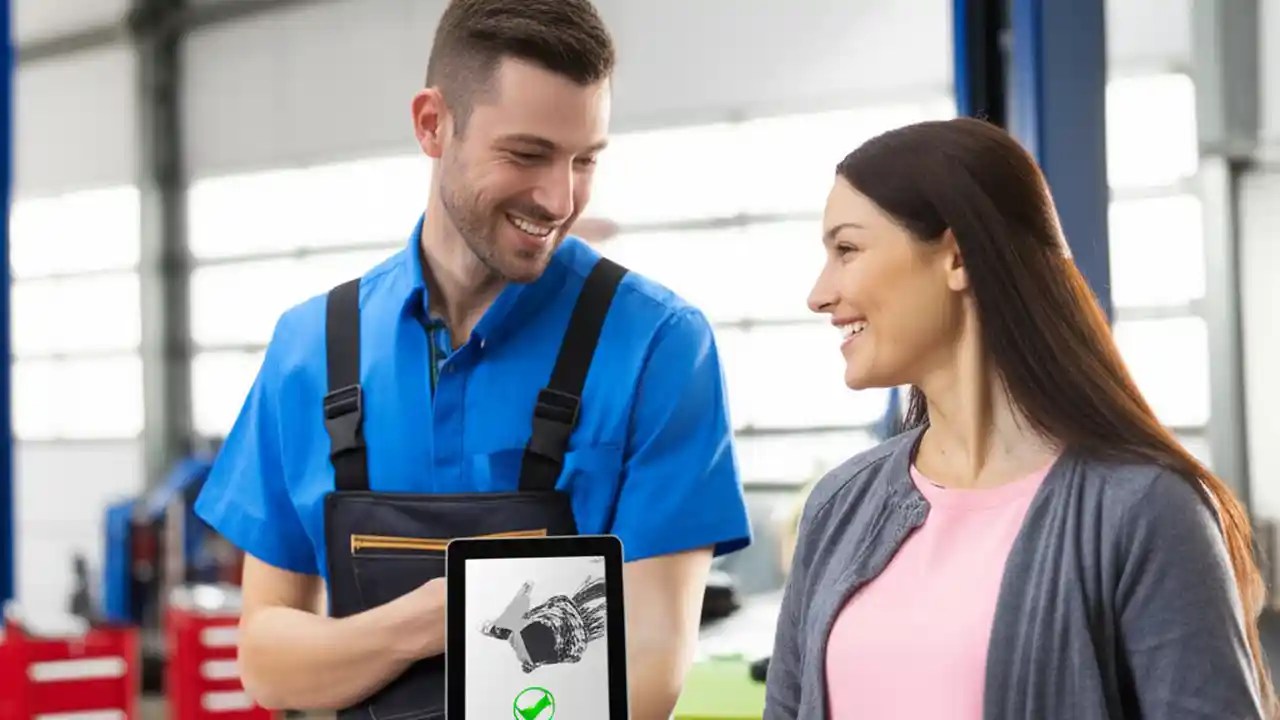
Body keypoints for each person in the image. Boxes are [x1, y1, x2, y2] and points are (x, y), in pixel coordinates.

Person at [193, 1, 751, 718]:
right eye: (526, 154)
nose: (559, 198)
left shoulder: (659, 347)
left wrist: (370, 644)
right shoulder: (310, 350)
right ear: (433, 124)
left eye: (584, 160)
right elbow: (270, 666)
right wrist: (431, 619)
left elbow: (645, 673)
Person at [764, 117, 1275, 719]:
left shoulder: (1143, 510)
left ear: (957, 257)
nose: (819, 294)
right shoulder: (839, 506)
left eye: (846, 249)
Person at [482, 576, 608, 673]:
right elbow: (517, 606)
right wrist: (526, 589)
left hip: (563, 635)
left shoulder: (518, 639)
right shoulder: (514, 629)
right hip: (558, 625)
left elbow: (517, 607)